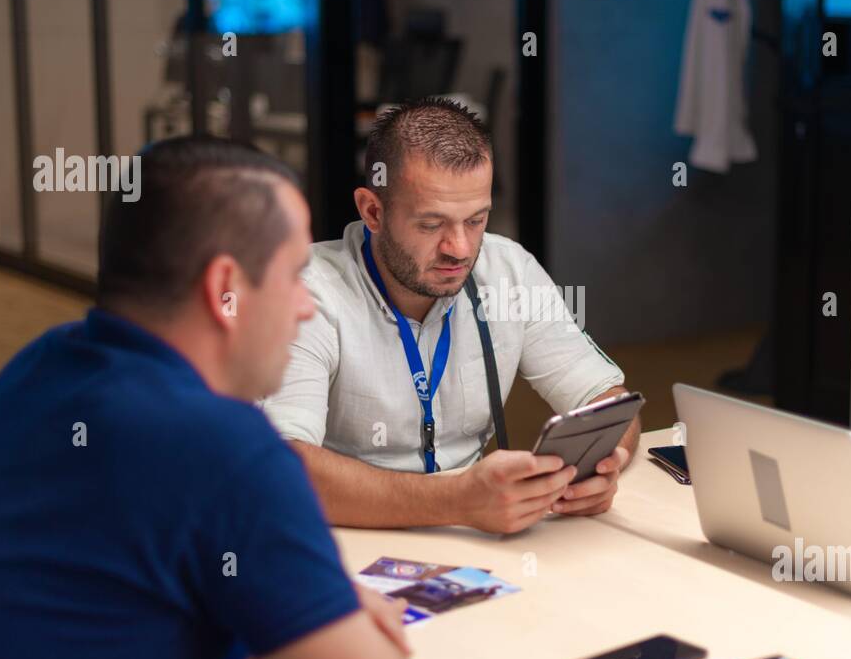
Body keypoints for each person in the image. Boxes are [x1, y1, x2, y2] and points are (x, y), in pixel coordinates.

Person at [0, 137, 417, 659]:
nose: (305, 308)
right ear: (225, 290)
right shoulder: (226, 447)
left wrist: (295, 590)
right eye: (295, 276)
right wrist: (332, 606)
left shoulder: (46, 361)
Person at [262, 97, 641, 534]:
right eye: (431, 225)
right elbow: (280, 468)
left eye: (476, 220)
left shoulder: (509, 271)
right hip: (341, 540)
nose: (459, 249)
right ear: (373, 211)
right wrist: (457, 502)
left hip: (471, 536)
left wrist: (609, 461)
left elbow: (609, 400)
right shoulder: (305, 291)